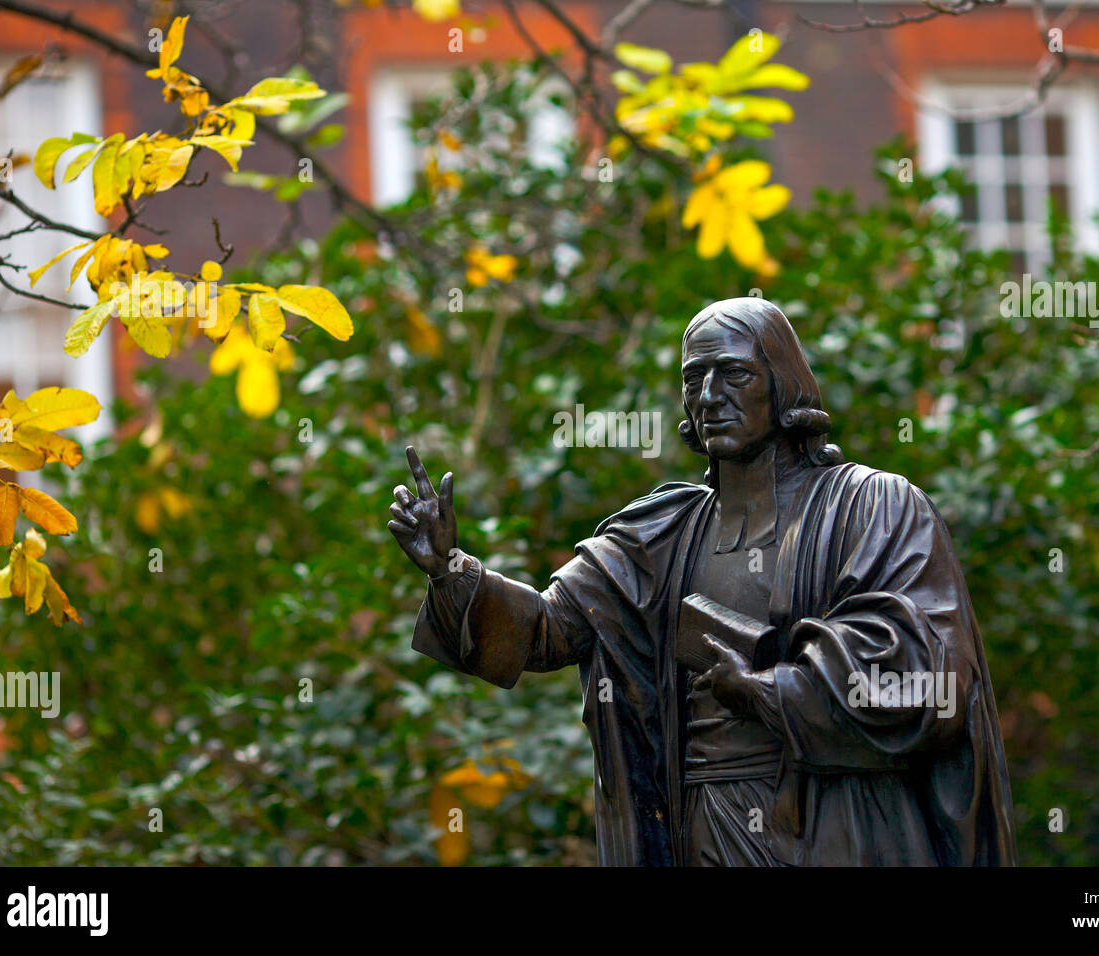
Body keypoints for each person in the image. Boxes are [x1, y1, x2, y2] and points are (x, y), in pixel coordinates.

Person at [389, 297, 1016, 866]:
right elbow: (544, 631)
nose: (711, 394)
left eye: (734, 373)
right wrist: (451, 570)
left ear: (781, 382)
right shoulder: (662, 534)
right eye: (695, 378)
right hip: (701, 826)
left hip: (838, 823)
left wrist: (773, 688)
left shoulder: (872, 506)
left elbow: (929, 674)